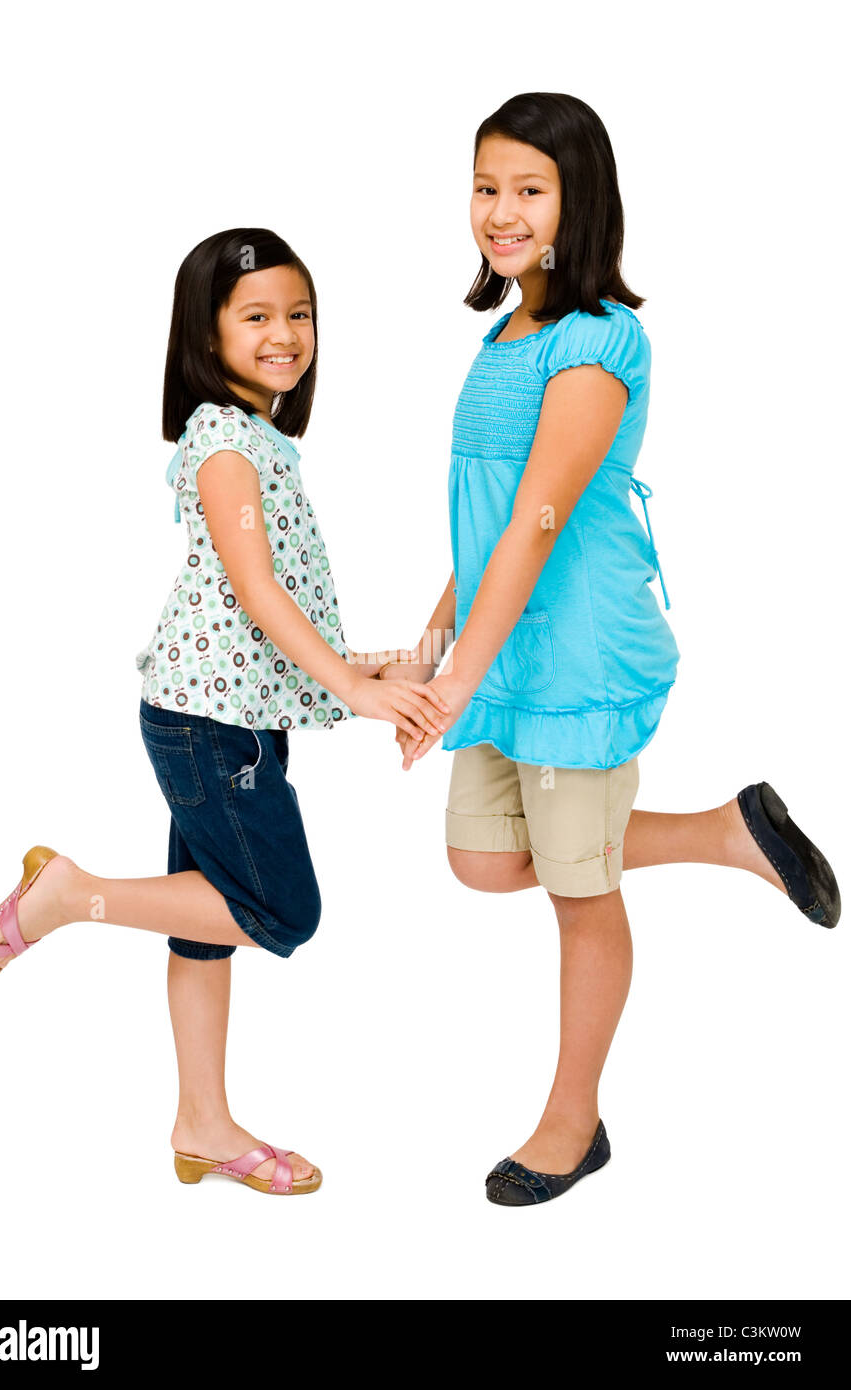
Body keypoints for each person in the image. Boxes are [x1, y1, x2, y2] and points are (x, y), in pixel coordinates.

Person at [386, 92, 842, 1208]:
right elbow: (491, 509)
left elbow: (543, 516)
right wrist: (440, 622)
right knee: (487, 858)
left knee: (578, 888)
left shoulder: (598, 340)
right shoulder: (507, 333)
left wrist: (451, 683)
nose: (500, 212)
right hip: (506, 646)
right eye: (486, 187)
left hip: (575, 654)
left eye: (528, 190)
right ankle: (728, 831)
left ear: (578, 200)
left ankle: (571, 1122)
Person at [0, 228, 450, 1199]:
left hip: (222, 714)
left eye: (299, 313)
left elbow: (259, 628)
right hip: (206, 728)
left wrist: (384, 667)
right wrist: (357, 691)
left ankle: (203, 1124)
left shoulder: (258, 437)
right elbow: (261, 592)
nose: (286, 334)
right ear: (207, 332)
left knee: (207, 924)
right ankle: (70, 895)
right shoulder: (225, 445)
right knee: (281, 911)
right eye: (258, 317)